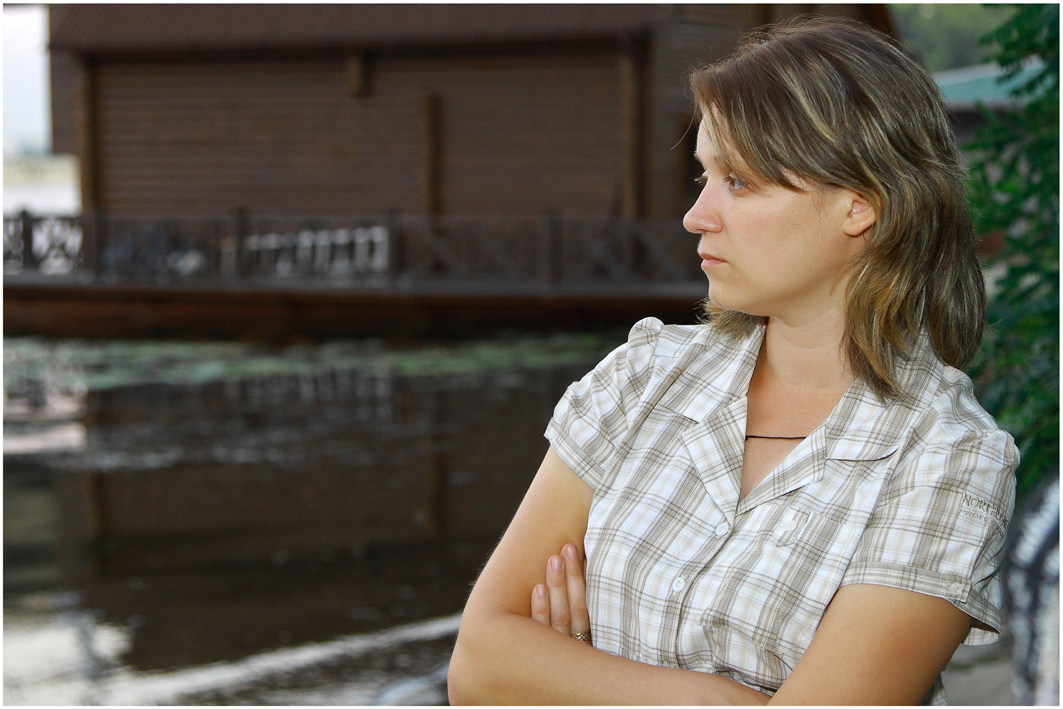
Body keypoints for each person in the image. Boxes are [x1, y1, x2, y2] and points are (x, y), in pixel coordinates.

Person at [447, 17, 1018, 705]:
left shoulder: (947, 460)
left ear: (859, 206)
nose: (695, 214)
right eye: (703, 175)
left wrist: (571, 674)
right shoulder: (640, 378)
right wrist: (714, 698)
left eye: (738, 183)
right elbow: (478, 664)